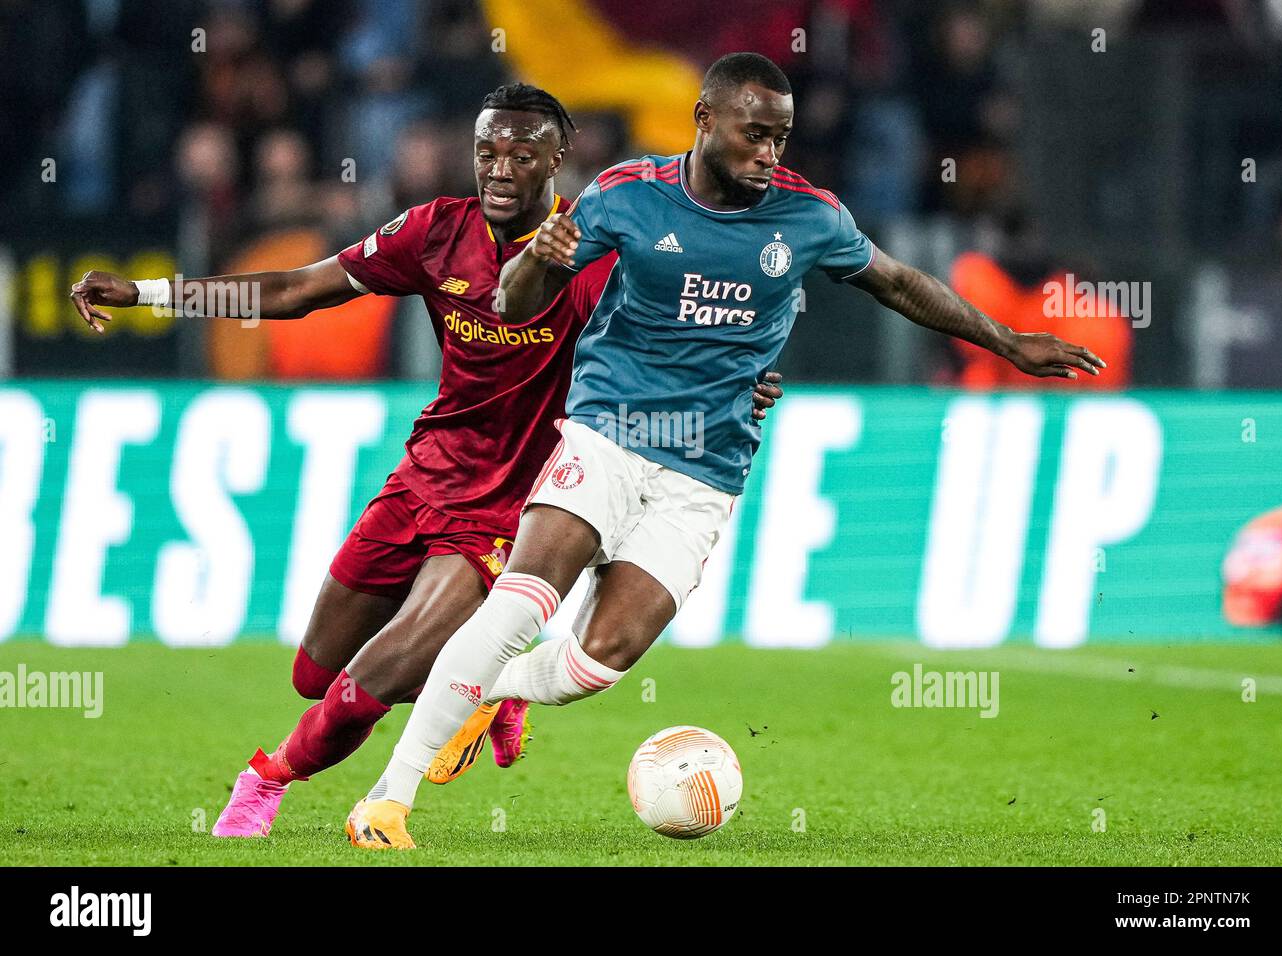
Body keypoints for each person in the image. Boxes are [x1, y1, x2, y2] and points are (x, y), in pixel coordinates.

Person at [347, 53, 1105, 849]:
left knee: (595, 663)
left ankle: (486, 692)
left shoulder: (809, 217)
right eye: (754, 135)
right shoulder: (627, 196)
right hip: (606, 432)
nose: (769, 154)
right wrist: (537, 259)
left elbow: (898, 282)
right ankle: (387, 801)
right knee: (520, 603)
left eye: (779, 137)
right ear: (705, 122)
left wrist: (1006, 340)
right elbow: (512, 302)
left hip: (707, 466)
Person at [68, 82, 785, 839]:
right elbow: (293, 289)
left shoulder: (596, 258)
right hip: (424, 476)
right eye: (486, 152)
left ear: (558, 161)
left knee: (380, 669)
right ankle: (489, 690)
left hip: (515, 507)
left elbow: (685, 340)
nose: (499, 168)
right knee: (317, 674)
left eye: (520, 153)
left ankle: (265, 780)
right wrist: (149, 292)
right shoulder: (434, 232)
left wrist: (739, 386)